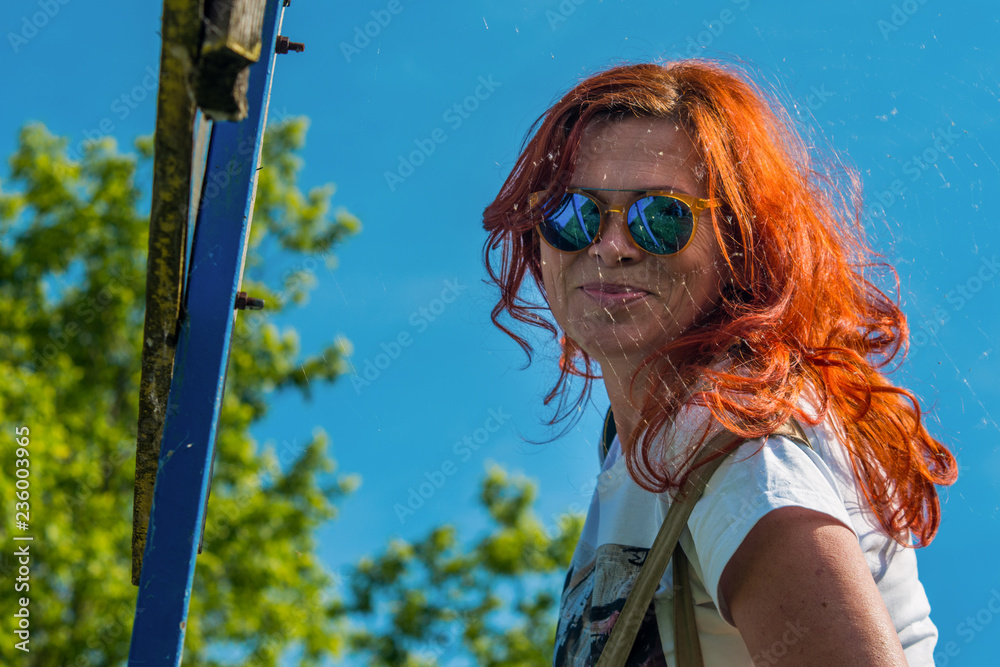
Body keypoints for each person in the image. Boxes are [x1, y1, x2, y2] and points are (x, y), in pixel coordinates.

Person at [482, 60, 958, 666]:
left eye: (662, 217)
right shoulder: (639, 446)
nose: (611, 246)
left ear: (738, 245)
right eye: (572, 213)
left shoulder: (739, 444)